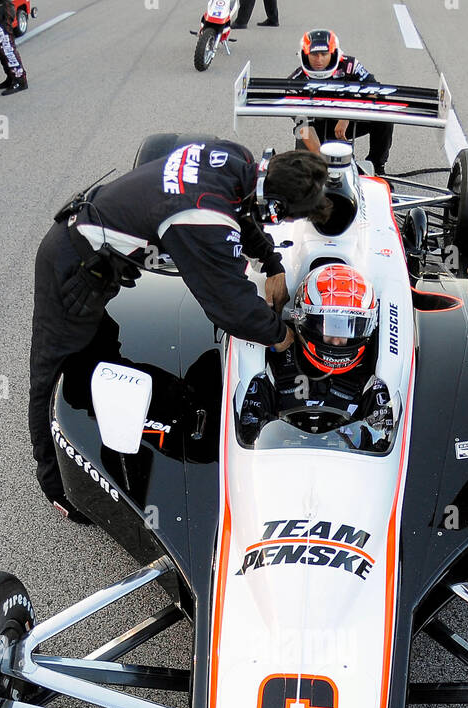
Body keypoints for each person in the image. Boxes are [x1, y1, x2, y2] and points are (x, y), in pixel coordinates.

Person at [29, 139, 330, 520]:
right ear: (275, 206)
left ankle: (97, 404)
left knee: (99, 343)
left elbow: (239, 213)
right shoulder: (199, 219)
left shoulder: (236, 159)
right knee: (49, 370)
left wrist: (272, 264)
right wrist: (282, 336)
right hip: (71, 263)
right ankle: (57, 486)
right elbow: (230, 307)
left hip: (99, 253)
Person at [238, 262, 394, 446]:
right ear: (306, 322)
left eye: (350, 327)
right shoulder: (274, 362)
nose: (337, 341)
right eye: (330, 326)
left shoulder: (371, 374)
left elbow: (381, 439)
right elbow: (248, 433)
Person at [288, 29, 393, 177]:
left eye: (324, 54)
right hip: (314, 127)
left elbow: (375, 93)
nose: (319, 60)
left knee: (384, 115)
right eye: (314, 54)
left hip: (347, 121)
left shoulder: (350, 66)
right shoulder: (295, 83)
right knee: (306, 170)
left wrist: (347, 115)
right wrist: (321, 159)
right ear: (305, 55)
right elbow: (303, 125)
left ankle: (377, 166)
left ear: (333, 53)